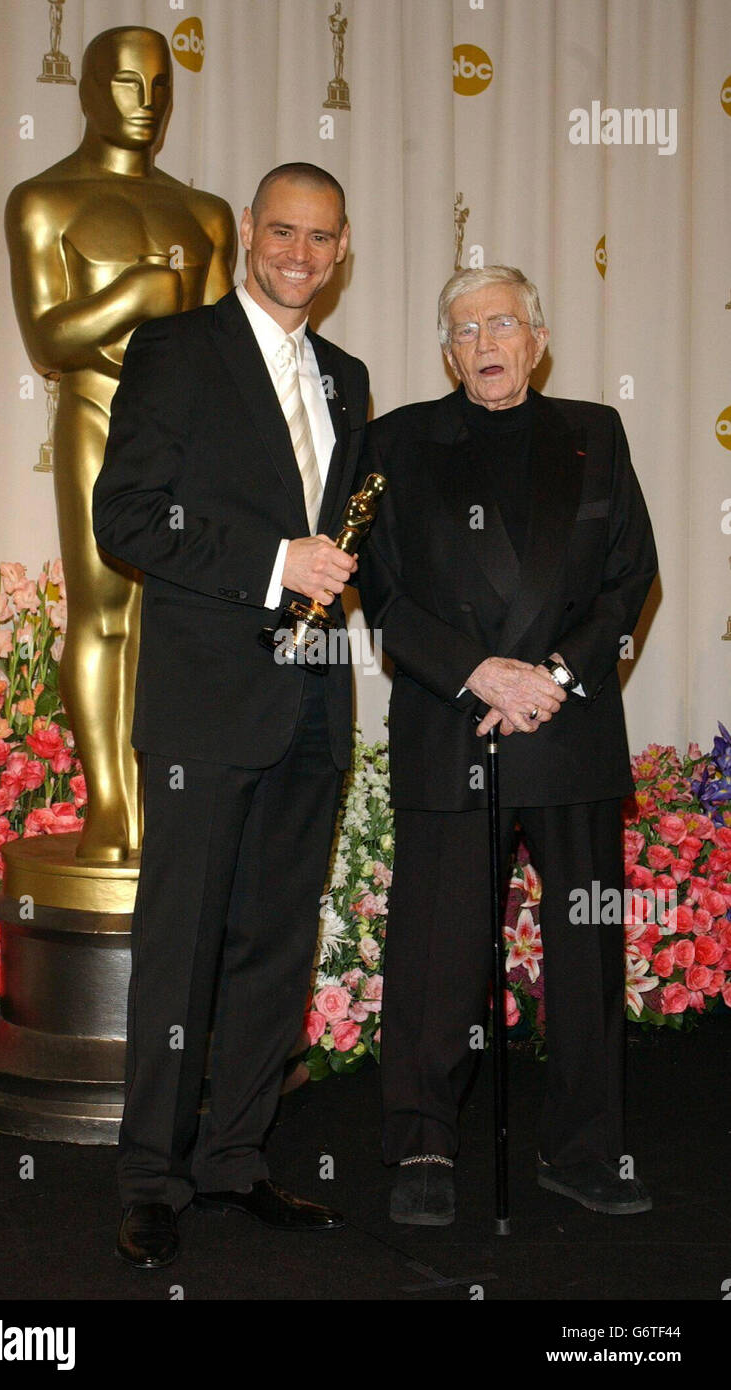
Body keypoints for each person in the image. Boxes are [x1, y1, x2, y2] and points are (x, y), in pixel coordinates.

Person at [92, 163, 369, 1266]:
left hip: (313, 700)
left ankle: (237, 1159)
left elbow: (349, 543)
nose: (299, 253)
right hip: (206, 702)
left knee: (276, 940)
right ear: (249, 232)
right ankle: (150, 1178)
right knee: (181, 946)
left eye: (321, 236)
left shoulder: (347, 375)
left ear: (343, 248)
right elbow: (128, 518)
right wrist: (272, 562)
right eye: (282, 231)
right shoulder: (175, 347)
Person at [357, 265, 658, 1226]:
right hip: (454, 724)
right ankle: (423, 1146)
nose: (484, 342)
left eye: (501, 323)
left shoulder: (594, 433)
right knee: (436, 954)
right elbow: (385, 592)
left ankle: (583, 1148)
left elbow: (627, 577)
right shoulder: (396, 440)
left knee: (584, 950)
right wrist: (479, 674)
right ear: (446, 352)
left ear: (536, 337)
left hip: (568, 730)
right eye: (464, 329)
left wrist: (554, 678)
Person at [6, 25, 236, 863]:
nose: (148, 104)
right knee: (102, 613)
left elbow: (222, 349)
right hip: (98, 414)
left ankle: (168, 797)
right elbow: (48, 336)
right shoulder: (45, 200)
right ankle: (111, 805)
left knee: (178, 620)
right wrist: (138, 294)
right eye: (128, 85)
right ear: (90, 89)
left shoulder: (205, 213)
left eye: (161, 86)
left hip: (187, 439)